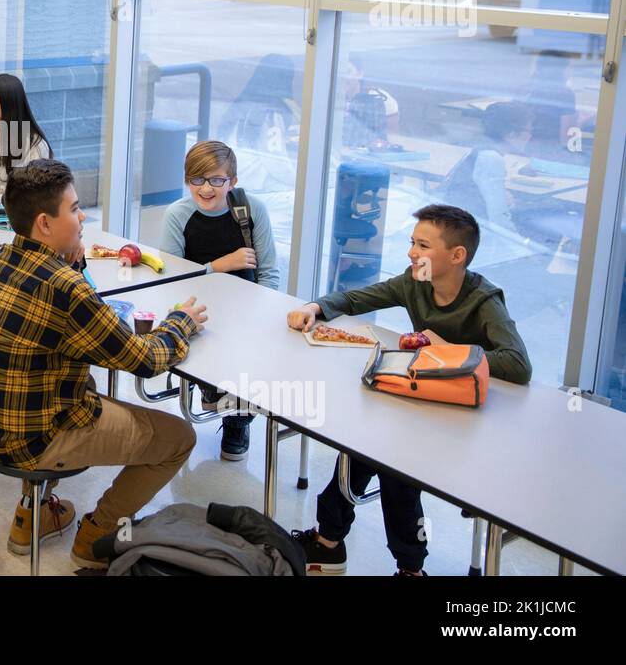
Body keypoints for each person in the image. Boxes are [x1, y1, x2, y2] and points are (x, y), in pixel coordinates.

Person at [0, 160, 208, 569]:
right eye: (73, 209)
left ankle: (29, 516)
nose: (83, 215)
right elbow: (144, 360)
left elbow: (62, 324)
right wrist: (180, 323)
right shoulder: (64, 287)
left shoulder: (0, 258)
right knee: (177, 438)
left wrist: (73, 263)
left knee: (54, 387)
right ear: (44, 222)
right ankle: (98, 536)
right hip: (30, 440)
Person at [286, 204, 532, 576]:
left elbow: (518, 364)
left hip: (465, 422)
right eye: (412, 243)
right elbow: (358, 299)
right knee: (362, 447)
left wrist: (446, 353)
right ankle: (334, 543)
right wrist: (316, 306)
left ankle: (392, 561)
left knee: (393, 465)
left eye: (422, 245)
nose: (411, 252)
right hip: (421, 402)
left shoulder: (484, 300)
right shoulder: (414, 282)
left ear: (457, 255)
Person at [158, 141, 277, 461]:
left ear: (233, 181)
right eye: (196, 180)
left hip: (243, 311)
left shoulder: (253, 211)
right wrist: (219, 266)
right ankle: (221, 396)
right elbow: (169, 280)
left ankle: (238, 418)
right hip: (197, 311)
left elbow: (269, 273)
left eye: (216, 180)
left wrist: (263, 316)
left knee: (262, 352)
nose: (205, 188)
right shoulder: (178, 215)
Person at [440, 101, 532, 234]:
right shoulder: (491, 158)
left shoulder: (481, 149)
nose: (530, 136)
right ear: (511, 134)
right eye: (527, 131)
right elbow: (498, 215)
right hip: (467, 233)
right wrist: (521, 248)